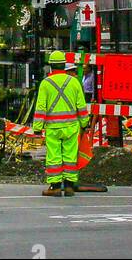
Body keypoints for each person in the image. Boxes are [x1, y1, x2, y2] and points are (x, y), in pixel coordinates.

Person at [33, 50, 90, 196]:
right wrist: (85, 124)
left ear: (51, 66)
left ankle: (56, 187)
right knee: (70, 156)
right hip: (71, 126)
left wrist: (37, 129)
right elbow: (81, 106)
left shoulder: (45, 84)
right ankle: (69, 186)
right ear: (64, 65)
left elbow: (41, 108)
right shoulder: (74, 82)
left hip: (53, 127)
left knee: (54, 156)